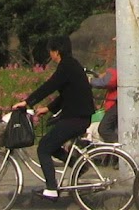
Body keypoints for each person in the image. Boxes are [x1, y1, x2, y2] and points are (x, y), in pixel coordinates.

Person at [11, 36, 94, 201]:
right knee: (52, 145)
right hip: (78, 117)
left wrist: (27, 102)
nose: (51, 55)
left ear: (57, 51)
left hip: (76, 118)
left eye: (51, 51)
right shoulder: (72, 65)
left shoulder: (66, 66)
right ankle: (79, 166)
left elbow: (50, 86)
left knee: (43, 148)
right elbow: (66, 94)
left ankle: (51, 189)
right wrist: (48, 108)